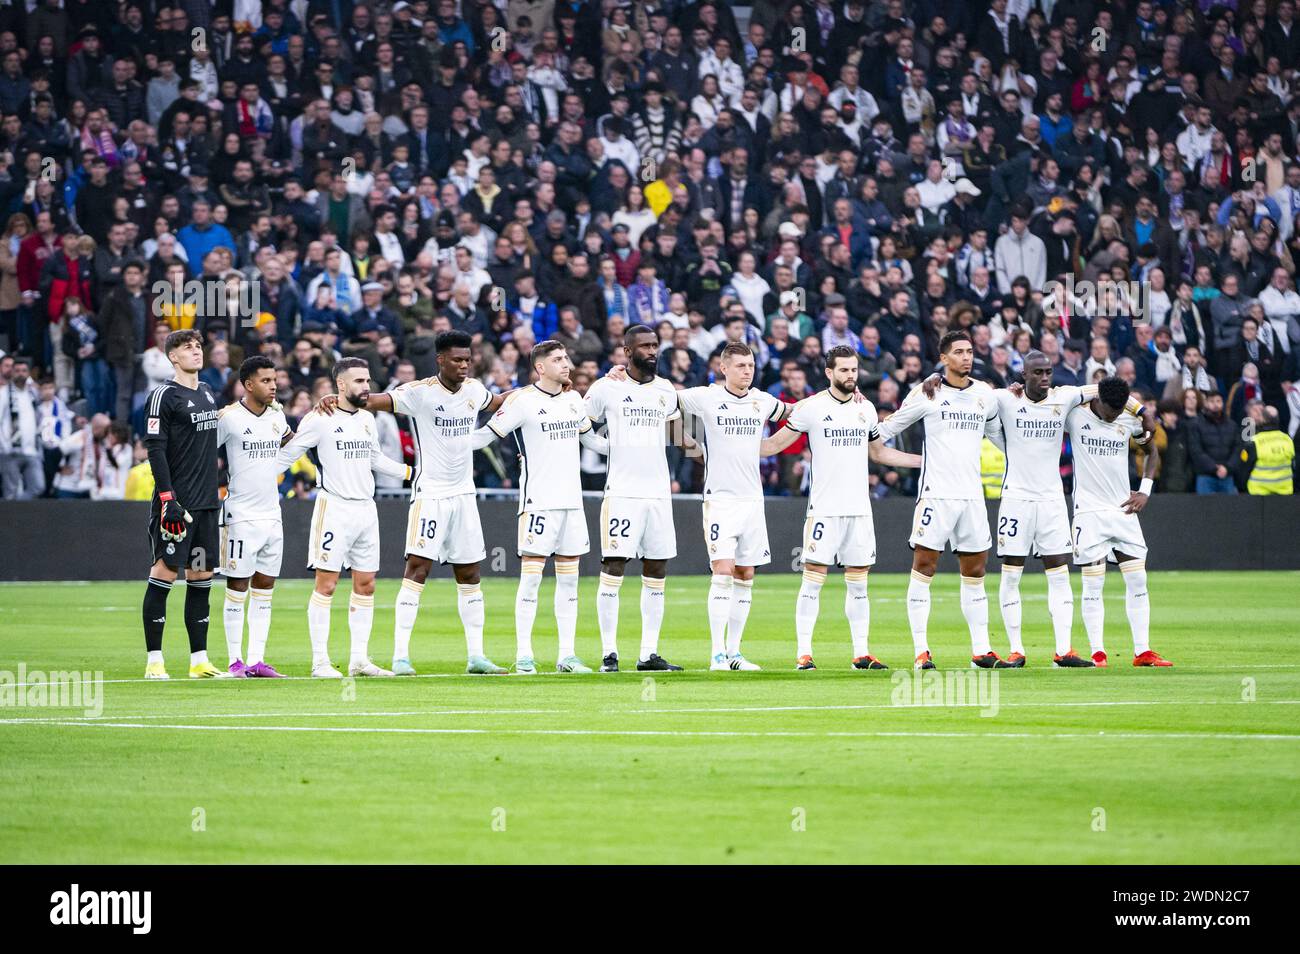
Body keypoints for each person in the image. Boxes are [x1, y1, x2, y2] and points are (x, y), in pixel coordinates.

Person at [317, 330, 512, 675]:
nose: (464, 365)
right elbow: (373, 401)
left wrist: (540, 392)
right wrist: (337, 398)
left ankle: (476, 656)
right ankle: (400, 656)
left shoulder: (474, 390)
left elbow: (499, 403)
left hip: (465, 495)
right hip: (430, 495)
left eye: (468, 359)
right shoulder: (419, 394)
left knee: (470, 573)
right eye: (457, 360)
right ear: (441, 360)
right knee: (418, 569)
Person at [759, 345, 922, 669]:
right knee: (813, 579)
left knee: (859, 582)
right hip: (824, 509)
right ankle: (803, 653)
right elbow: (774, 445)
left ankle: (861, 653)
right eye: (844, 370)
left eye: (854, 370)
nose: (850, 375)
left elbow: (879, 454)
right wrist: (729, 448)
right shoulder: (811, 408)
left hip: (860, 510)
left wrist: (927, 461)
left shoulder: (866, 409)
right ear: (829, 372)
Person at [469, 340, 609, 674]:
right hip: (538, 503)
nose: (566, 364)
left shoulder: (575, 400)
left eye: (566, 358)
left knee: (570, 581)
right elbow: (487, 435)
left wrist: (633, 444)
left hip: (572, 505)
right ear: (540, 367)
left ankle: (567, 655)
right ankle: (524, 655)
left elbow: (592, 441)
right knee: (531, 580)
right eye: (558, 359)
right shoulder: (522, 401)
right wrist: (445, 445)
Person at [877, 330, 1010, 669]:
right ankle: (921, 651)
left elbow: (998, 437)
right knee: (924, 567)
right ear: (945, 358)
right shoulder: (926, 392)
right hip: (936, 495)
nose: (967, 357)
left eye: (969, 351)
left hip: (972, 497)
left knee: (976, 570)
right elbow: (888, 428)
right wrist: (860, 428)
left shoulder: (985, 395)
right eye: (959, 352)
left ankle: (981, 650)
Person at [275, 357, 412, 678]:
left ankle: (359, 660)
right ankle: (320, 662)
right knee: (327, 584)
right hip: (333, 507)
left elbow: (375, 458)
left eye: (368, 381)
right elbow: (288, 455)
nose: (366, 387)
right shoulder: (318, 419)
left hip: (366, 508)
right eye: (359, 381)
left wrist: (412, 472)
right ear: (340, 385)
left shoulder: (367, 419)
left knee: (366, 584)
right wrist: (253, 479)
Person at [676, 343, 792, 668]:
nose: (747, 371)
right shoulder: (706, 397)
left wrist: (835, 400)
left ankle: (735, 652)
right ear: (723, 368)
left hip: (753, 500)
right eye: (740, 365)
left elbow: (796, 412)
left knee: (745, 573)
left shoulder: (762, 401)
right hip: (720, 500)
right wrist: (690, 448)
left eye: (751, 365)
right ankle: (716, 654)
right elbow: (665, 401)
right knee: (723, 571)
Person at [584, 325, 685, 672]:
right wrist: (602, 446)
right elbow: (580, 422)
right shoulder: (606, 388)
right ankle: (609, 652)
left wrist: (700, 450)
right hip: (622, 492)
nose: (652, 351)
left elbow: (675, 433)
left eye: (655, 345)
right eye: (644, 346)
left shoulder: (665, 389)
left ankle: (648, 654)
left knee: (656, 568)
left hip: (658, 494)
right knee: (614, 565)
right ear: (627, 352)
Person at [1067, 376, 1172, 667]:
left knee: (1138, 579)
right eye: (1110, 410)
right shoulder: (1074, 415)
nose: (1114, 416)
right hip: (1088, 512)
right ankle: (1098, 653)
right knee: (1093, 585)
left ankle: (1143, 652)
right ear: (1098, 399)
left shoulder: (1127, 418)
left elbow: (1151, 451)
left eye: (1119, 411)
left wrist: (1145, 490)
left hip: (1122, 510)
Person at [140, 330, 223, 679]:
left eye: (198, 346)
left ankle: (199, 660)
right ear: (173, 357)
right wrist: (167, 497)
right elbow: (155, 448)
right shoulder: (163, 395)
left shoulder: (207, 392)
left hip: (206, 504)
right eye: (187, 347)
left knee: (201, 577)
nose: (195, 351)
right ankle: (154, 660)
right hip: (177, 506)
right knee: (165, 573)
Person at [216, 356, 292, 678]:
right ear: (248, 384)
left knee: (265, 588)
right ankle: (235, 662)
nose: (273, 385)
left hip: (272, 516)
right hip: (240, 516)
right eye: (266, 381)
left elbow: (292, 444)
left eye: (274, 380)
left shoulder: (278, 418)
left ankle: (256, 661)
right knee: (237, 587)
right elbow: (203, 453)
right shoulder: (228, 418)